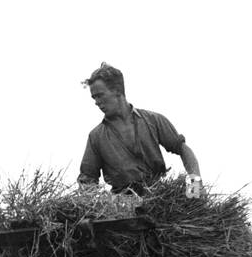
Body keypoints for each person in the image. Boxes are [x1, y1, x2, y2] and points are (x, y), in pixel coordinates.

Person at [78, 62, 202, 195]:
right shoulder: (96, 136)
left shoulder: (153, 120)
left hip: (160, 199)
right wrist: (95, 203)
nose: (96, 102)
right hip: (122, 206)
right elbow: (87, 180)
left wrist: (195, 188)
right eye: (94, 97)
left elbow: (183, 149)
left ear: (117, 90)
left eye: (100, 95)